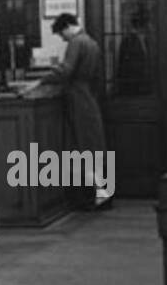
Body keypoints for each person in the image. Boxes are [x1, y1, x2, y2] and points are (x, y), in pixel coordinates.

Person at [32, 14, 110, 209]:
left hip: (77, 98)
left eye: (61, 34)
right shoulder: (91, 42)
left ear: (67, 27)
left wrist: (40, 81)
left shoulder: (76, 43)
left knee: (83, 148)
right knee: (93, 146)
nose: (62, 38)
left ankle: (95, 196)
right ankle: (102, 193)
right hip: (88, 97)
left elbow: (66, 70)